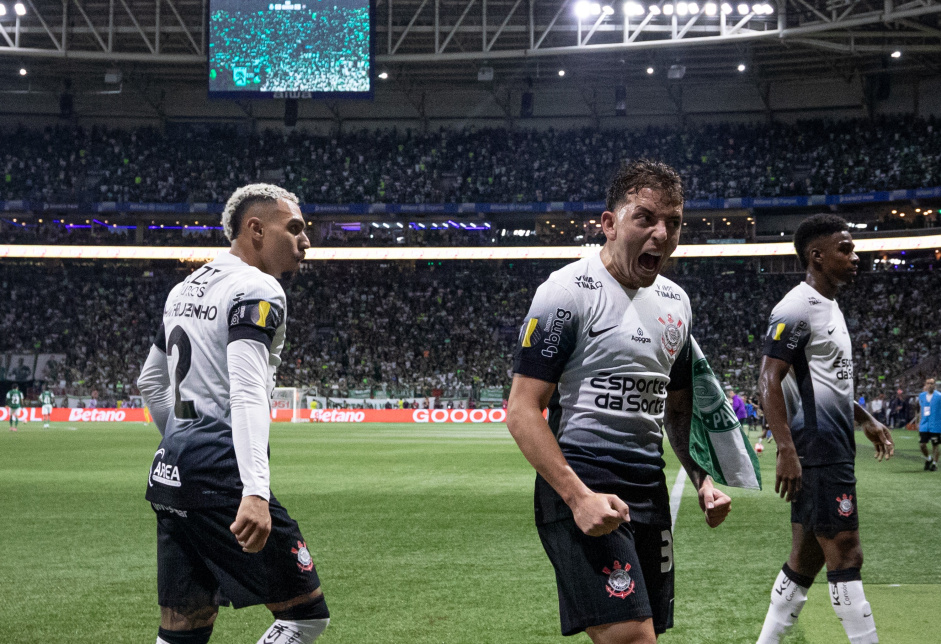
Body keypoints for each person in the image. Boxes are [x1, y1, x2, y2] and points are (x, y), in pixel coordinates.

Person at [507, 160, 731, 644]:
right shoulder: (565, 293)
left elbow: (675, 409)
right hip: (583, 481)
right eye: (645, 218)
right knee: (632, 637)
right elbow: (522, 409)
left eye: (673, 222)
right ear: (608, 224)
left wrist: (702, 478)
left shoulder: (677, 302)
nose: (662, 233)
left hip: (648, 487)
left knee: (647, 633)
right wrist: (577, 497)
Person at [136, 184, 328, 644]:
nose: (306, 242)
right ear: (256, 229)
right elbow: (245, 389)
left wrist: (182, 443)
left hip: (169, 474)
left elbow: (150, 382)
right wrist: (255, 491)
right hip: (223, 475)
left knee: (186, 624)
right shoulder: (258, 287)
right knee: (304, 617)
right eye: (296, 228)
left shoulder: (185, 288)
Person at [755, 214, 894, 644]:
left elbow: (827, 384)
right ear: (816, 256)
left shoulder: (829, 307)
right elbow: (768, 378)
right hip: (818, 452)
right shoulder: (797, 306)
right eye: (845, 249)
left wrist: (865, 418)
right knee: (847, 551)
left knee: (805, 559)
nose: (855, 256)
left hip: (830, 446)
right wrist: (786, 450)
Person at [913, 377, 940, 471]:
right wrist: (918, 421)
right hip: (924, 424)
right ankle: (928, 459)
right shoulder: (922, 396)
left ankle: (934, 464)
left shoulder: (939, 396)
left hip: (936, 424)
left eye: (932, 383)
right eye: (928, 383)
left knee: (935, 445)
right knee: (922, 444)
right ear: (925, 384)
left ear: (935, 385)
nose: (930, 385)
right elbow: (920, 409)